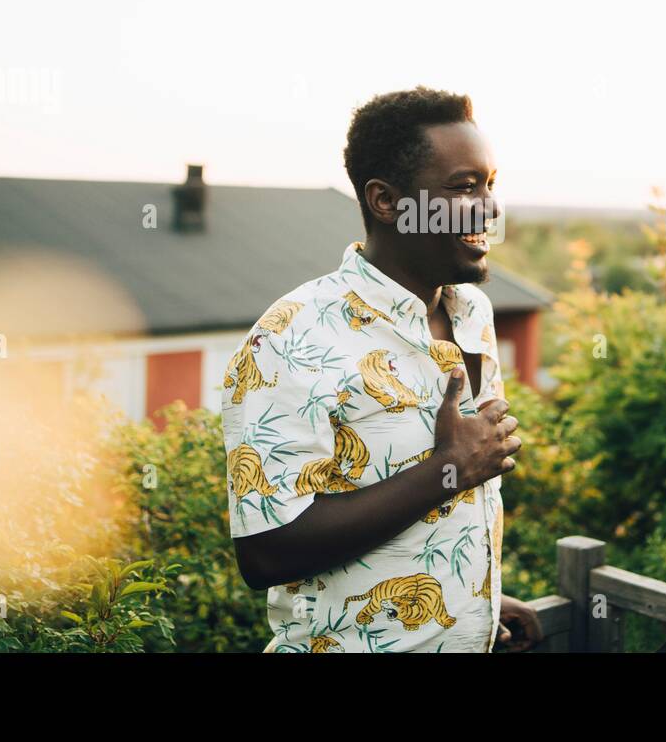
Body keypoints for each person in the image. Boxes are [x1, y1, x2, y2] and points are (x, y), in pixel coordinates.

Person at [222, 86, 542, 653]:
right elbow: (267, 551)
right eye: (464, 187)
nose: (491, 209)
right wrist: (449, 467)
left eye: (490, 185)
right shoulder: (292, 336)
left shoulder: (472, 314)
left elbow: (423, 528)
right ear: (385, 201)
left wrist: (477, 599)